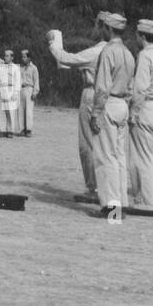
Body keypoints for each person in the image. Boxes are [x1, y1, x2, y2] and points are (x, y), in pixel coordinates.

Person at [47, 14, 109, 203]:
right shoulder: (124, 52)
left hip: (93, 95)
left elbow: (66, 59)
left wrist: (53, 43)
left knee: (87, 145)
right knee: (111, 151)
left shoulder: (97, 51)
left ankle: (95, 189)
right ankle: (112, 201)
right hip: (115, 100)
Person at [88, 13, 134, 218]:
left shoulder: (108, 52)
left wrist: (96, 111)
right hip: (123, 104)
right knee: (118, 157)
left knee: (105, 158)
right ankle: (121, 204)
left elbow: (102, 86)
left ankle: (111, 208)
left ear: (108, 29)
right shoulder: (128, 53)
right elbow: (131, 86)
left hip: (109, 103)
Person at [126, 19, 153, 216]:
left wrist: (133, 112)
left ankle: (145, 201)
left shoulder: (144, 56)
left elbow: (140, 87)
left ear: (142, 36)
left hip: (147, 108)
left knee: (141, 157)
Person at [0, 49, 21, 137]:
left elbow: (18, 81)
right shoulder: (2, 67)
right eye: (5, 55)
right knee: (3, 111)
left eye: (7, 56)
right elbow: (0, 79)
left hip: (11, 89)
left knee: (11, 111)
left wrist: (16, 93)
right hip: (3, 89)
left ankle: (11, 130)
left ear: (12, 57)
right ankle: (3, 129)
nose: (5, 57)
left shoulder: (16, 68)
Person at [18, 49, 40, 136]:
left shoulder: (34, 68)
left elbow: (36, 81)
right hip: (21, 89)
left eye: (24, 57)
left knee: (29, 110)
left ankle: (29, 129)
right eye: (22, 57)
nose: (23, 59)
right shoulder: (21, 68)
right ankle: (22, 128)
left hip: (29, 89)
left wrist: (35, 92)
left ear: (29, 58)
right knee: (21, 109)